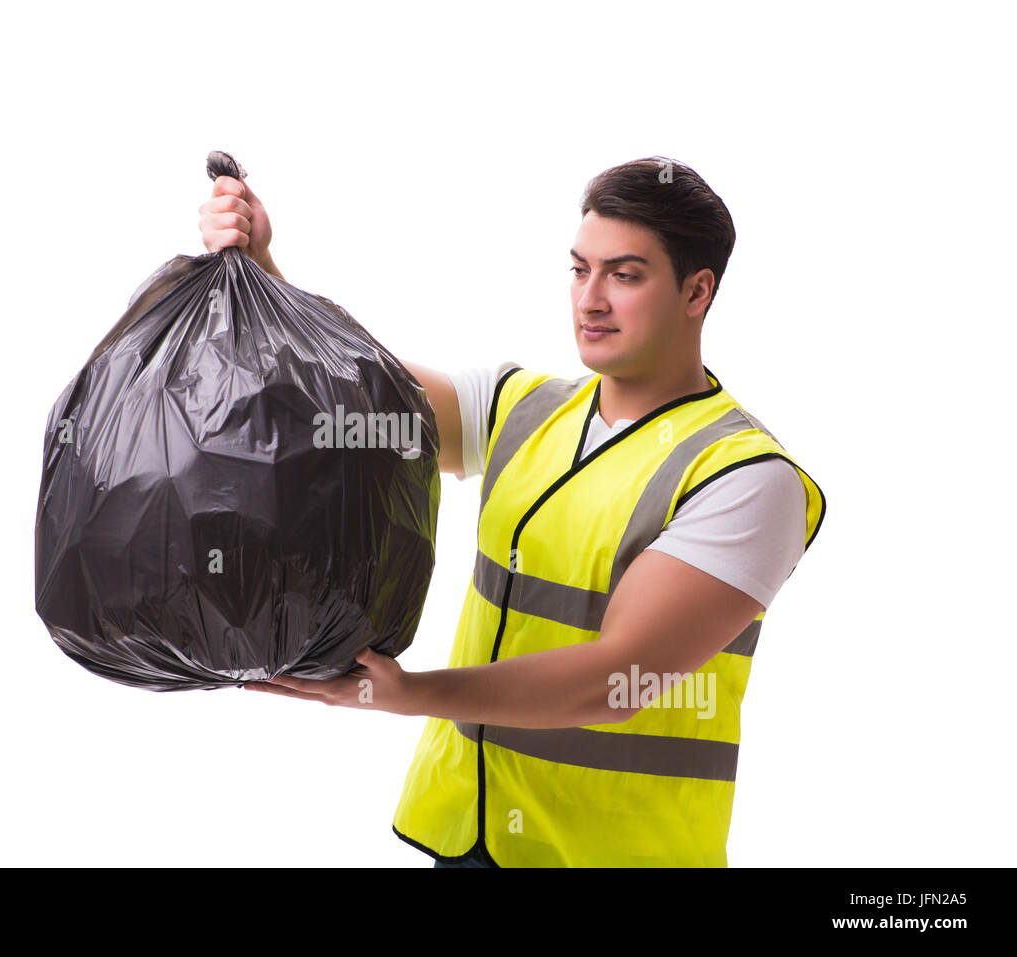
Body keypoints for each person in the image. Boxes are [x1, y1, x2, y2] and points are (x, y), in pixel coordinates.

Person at [160, 156, 826, 868]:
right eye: (579, 269)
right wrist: (264, 270)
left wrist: (407, 694)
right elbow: (356, 401)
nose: (590, 300)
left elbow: (616, 679)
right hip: (466, 836)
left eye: (624, 276)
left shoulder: (746, 477)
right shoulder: (523, 406)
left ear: (698, 291)